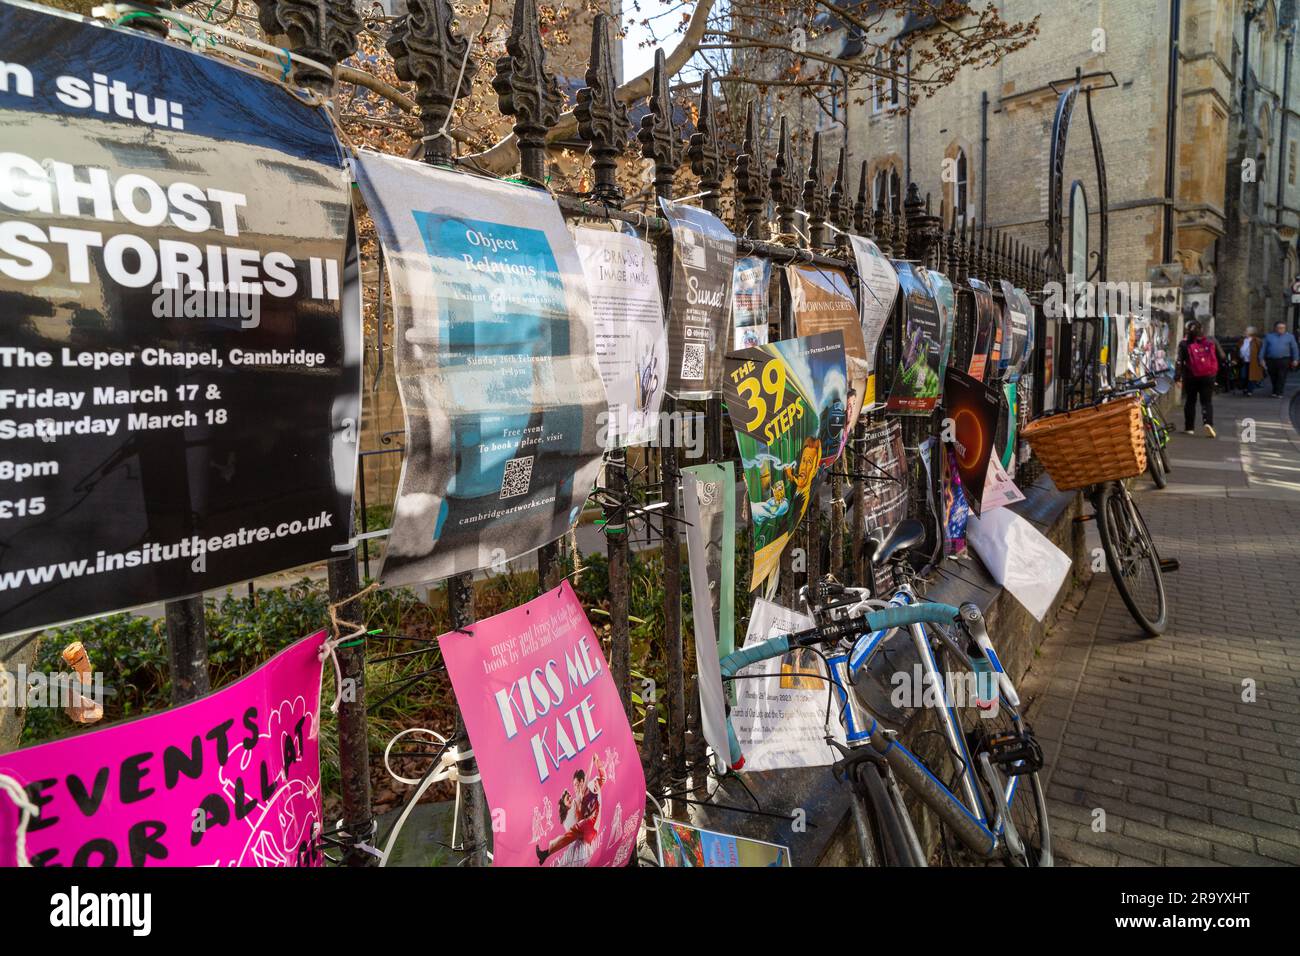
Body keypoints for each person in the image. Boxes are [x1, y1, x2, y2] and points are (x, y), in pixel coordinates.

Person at [1175, 320, 1227, 437]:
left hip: (1191, 376)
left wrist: (1177, 378)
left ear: (1187, 331)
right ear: (1201, 329)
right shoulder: (1211, 340)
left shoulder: (1184, 344)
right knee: (1207, 401)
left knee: (1190, 401)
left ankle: (1189, 428)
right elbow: (1222, 356)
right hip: (1209, 376)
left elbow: (1179, 362)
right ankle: (1208, 423)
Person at [1261, 320, 1300, 397]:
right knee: (1273, 376)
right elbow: (1263, 348)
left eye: (1283, 328)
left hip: (1284, 359)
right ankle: (1275, 391)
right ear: (1275, 328)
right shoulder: (1268, 336)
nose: (1281, 329)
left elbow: (1294, 348)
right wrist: (1261, 359)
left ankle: (1279, 392)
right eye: (1279, 328)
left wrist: (1296, 359)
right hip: (1271, 360)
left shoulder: (1290, 337)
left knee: (1282, 376)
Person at [1239, 326, 1266, 396]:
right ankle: (1245, 388)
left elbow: (1261, 351)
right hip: (1244, 361)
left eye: (1246, 331)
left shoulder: (1257, 341)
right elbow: (1237, 350)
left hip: (1253, 362)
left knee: (1252, 377)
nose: (1244, 332)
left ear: (1251, 333)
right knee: (1243, 376)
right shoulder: (1242, 340)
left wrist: (1262, 360)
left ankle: (1249, 391)